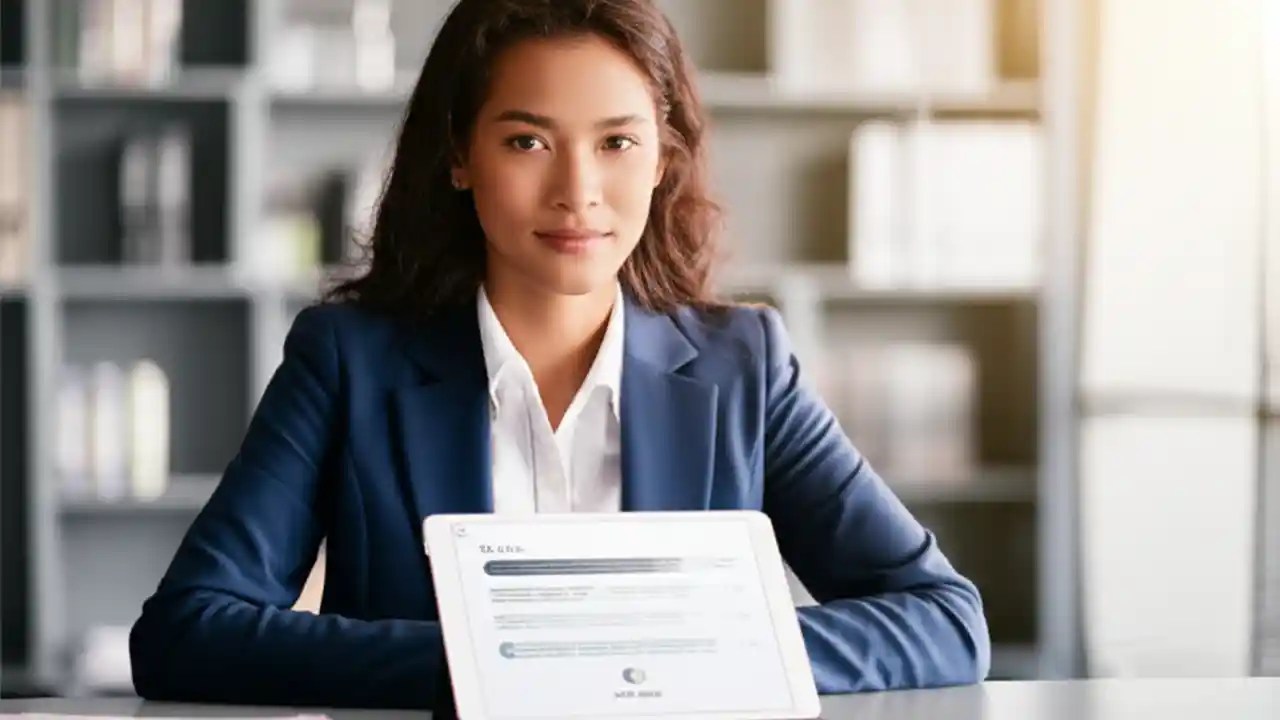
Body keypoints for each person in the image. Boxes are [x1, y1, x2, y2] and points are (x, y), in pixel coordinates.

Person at [130, 0, 989, 709]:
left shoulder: (743, 367)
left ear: (663, 159)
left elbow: (944, 620)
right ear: (461, 156)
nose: (577, 191)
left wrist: (697, 652)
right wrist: (495, 665)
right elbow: (186, 634)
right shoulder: (348, 360)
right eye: (527, 141)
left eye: (617, 143)